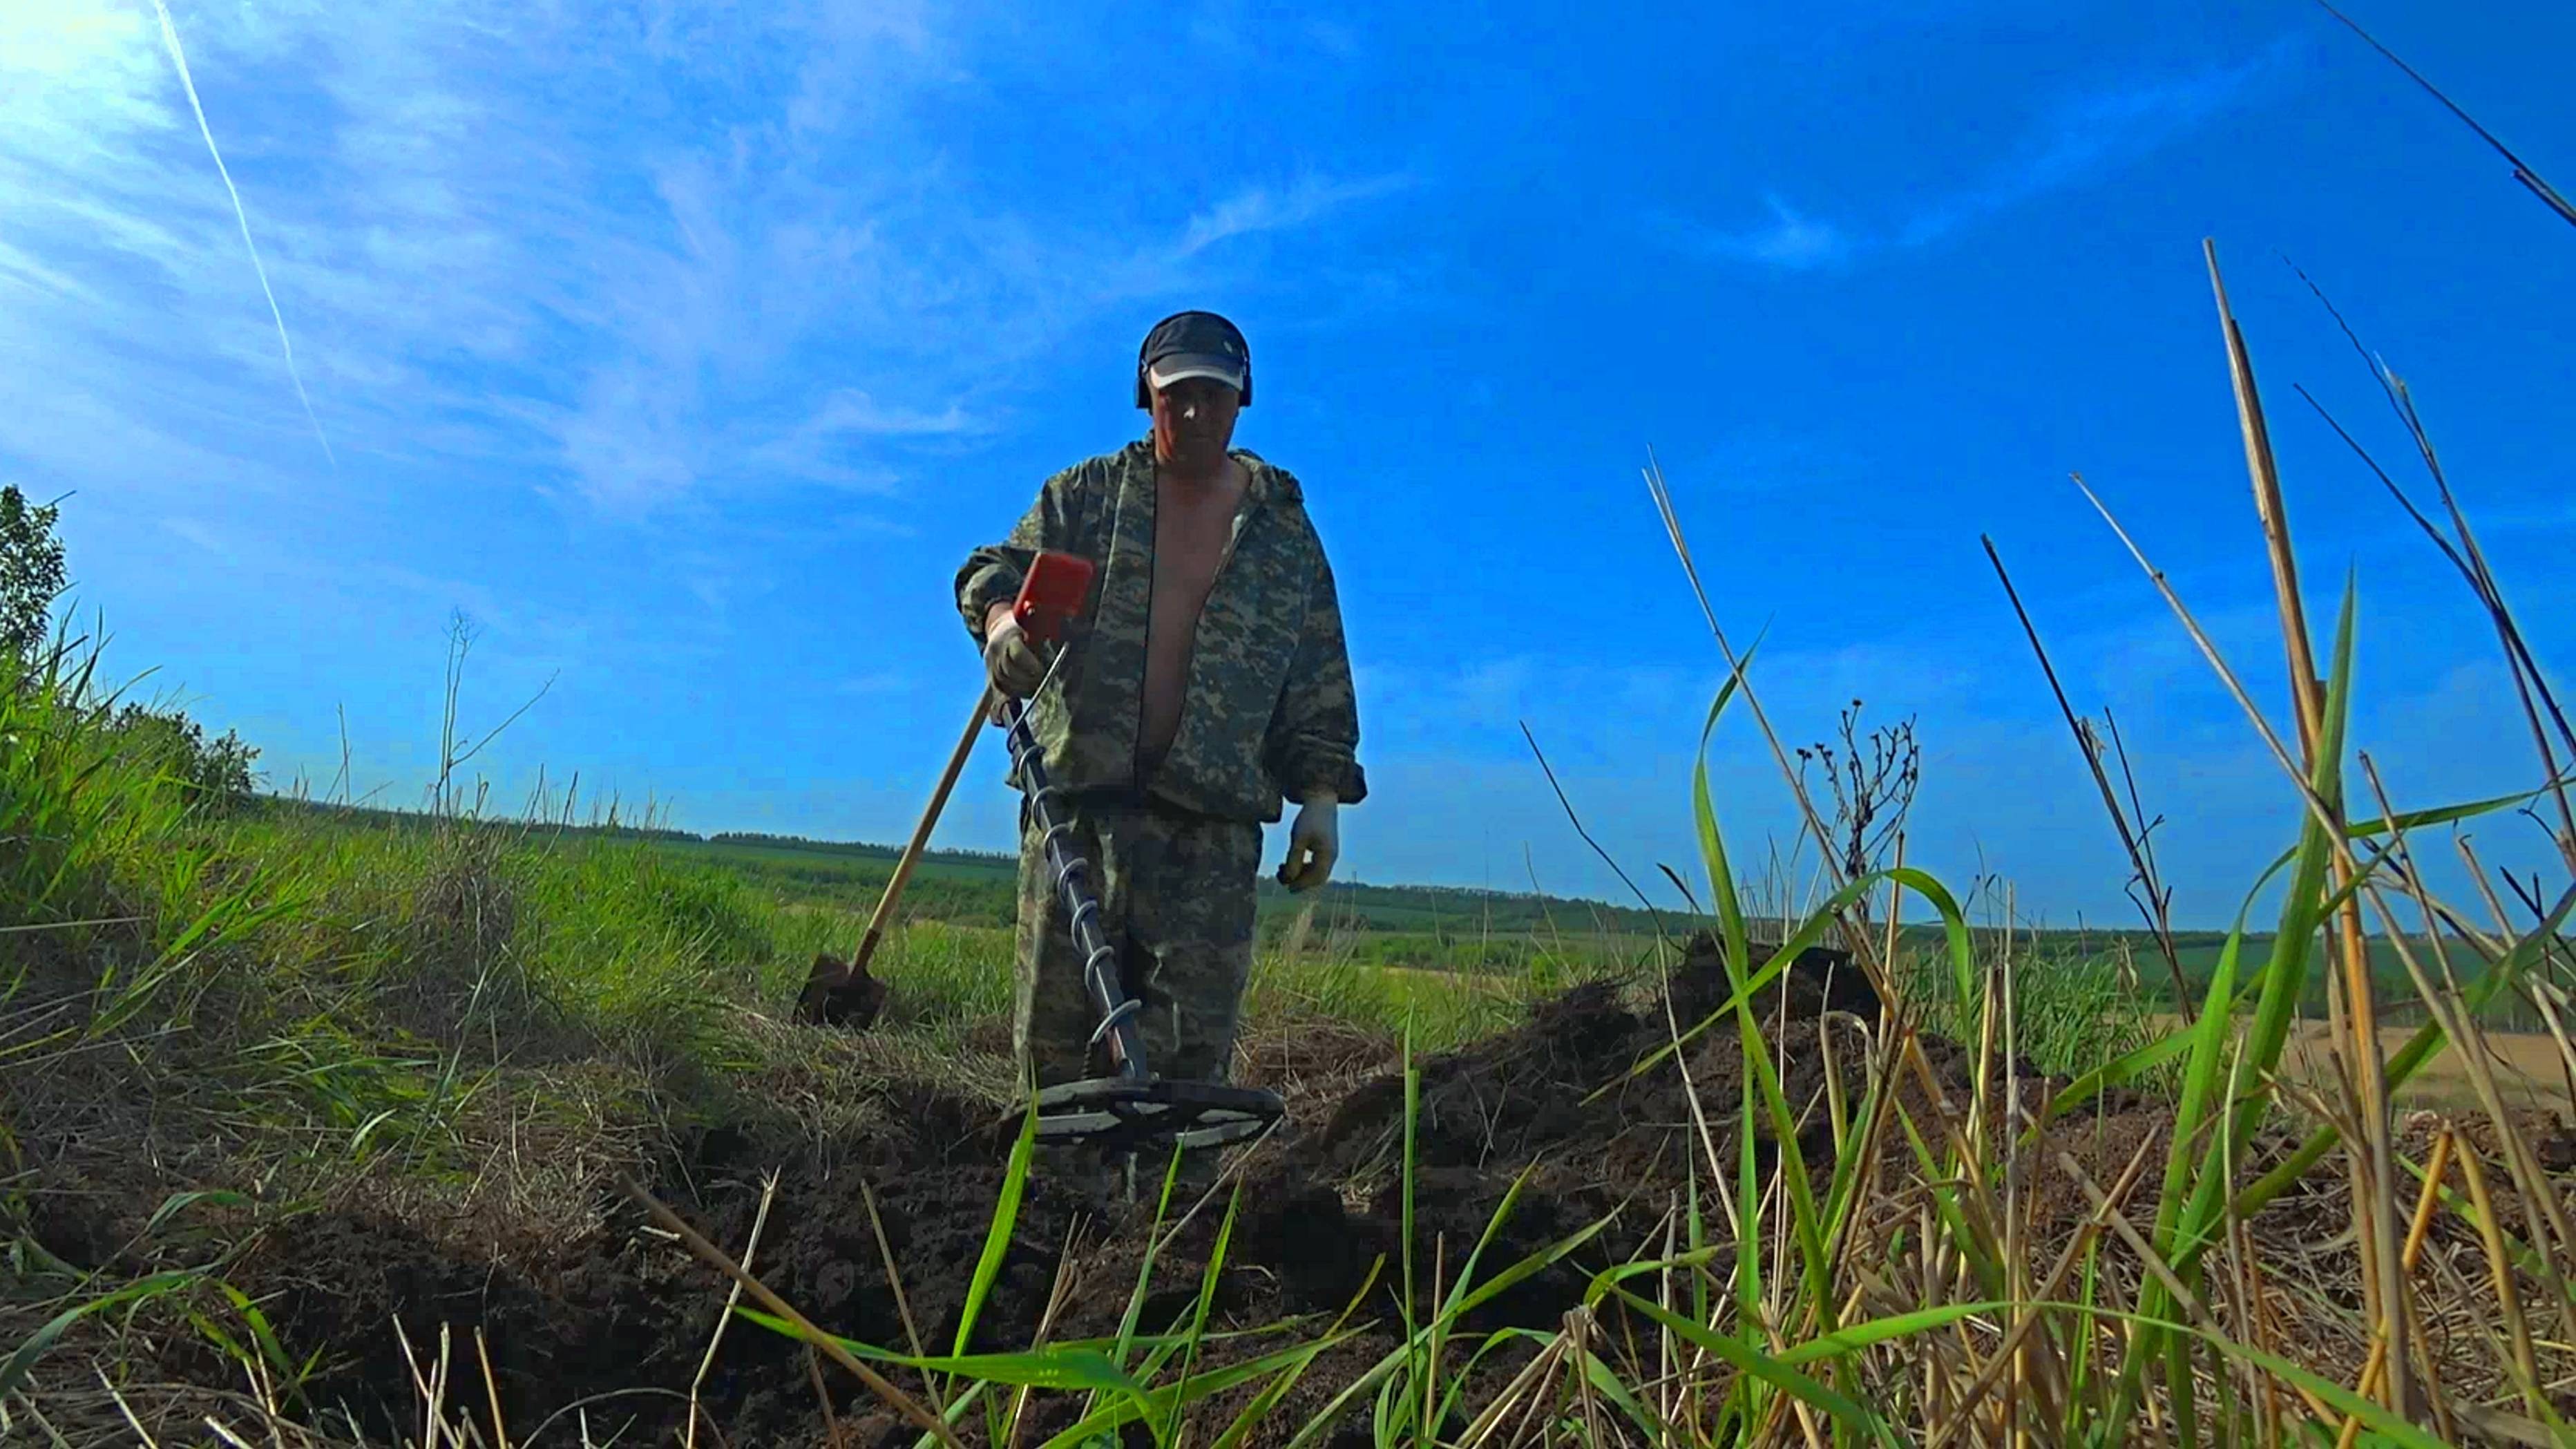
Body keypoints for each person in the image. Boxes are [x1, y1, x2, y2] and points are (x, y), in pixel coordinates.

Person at [954, 308, 1365, 1121]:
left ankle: (1170, 1237)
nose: (1192, 412)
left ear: (1242, 400)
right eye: (1175, 395)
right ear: (1146, 395)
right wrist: (1003, 626)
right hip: (1077, 816)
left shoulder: (1283, 534)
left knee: (1188, 1073)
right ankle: (1050, 1223)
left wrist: (1319, 799)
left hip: (1208, 838)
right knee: (1055, 1067)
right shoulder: (1087, 498)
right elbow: (989, 571)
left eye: (1212, 396)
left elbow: (1316, 672)